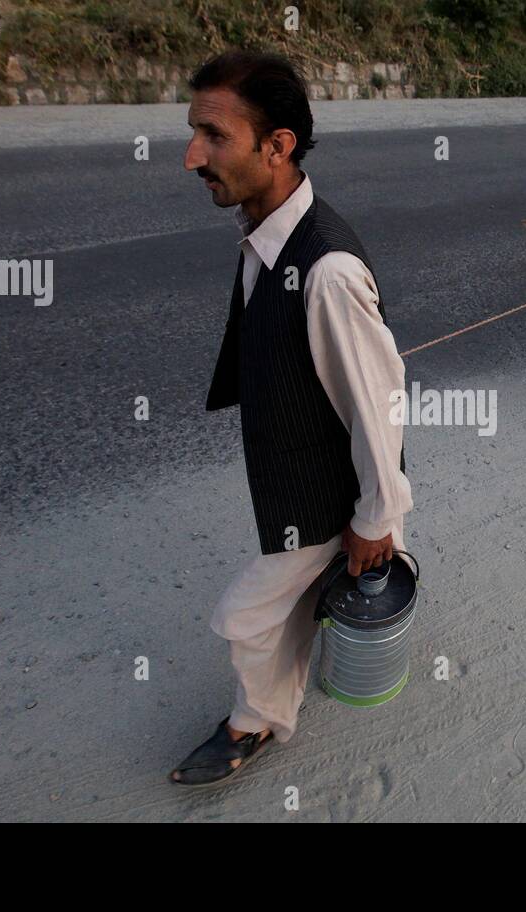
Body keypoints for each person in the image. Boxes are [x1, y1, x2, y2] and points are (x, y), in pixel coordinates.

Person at [170, 51, 413, 786]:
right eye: (194, 134)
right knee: (295, 602)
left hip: (320, 488)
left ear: (276, 147)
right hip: (298, 470)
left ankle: (255, 723)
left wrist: (376, 517)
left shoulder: (328, 272)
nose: (192, 157)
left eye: (214, 136)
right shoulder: (270, 230)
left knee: (248, 617)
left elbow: (379, 404)